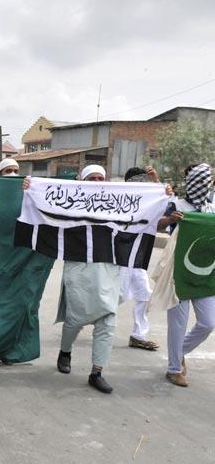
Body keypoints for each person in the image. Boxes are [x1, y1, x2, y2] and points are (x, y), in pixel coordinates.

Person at [26, 164, 119, 393]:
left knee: (108, 319)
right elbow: (42, 212)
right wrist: (29, 190)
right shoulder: (69, 203)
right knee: (75, 319)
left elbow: (143, 220)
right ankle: (65, 351)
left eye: (100, 178)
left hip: (107, 268)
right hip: (79, 267)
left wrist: (163, 200)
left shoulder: (116, 205)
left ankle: (97, 372)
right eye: (92, 178)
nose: (97, 182)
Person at [160, 163, 215, 387]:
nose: (203, 185)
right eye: (199, 180)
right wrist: (171, 219)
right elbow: (158, 222)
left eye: (206, 180)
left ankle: (179, 351)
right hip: (178, 272)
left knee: (208, 323)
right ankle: (174, 368)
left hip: (206, 273)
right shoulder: (176, 204)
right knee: (178, 323)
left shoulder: (212, 207)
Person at [118, 166, 161, 351]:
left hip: (138, 258)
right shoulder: (118, 199)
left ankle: (138, 335)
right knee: (117, 295)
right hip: (120, 256)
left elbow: (164, 209)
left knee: (144, 295)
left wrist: (156, 182)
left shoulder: (150, 202)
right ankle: (91, 317)